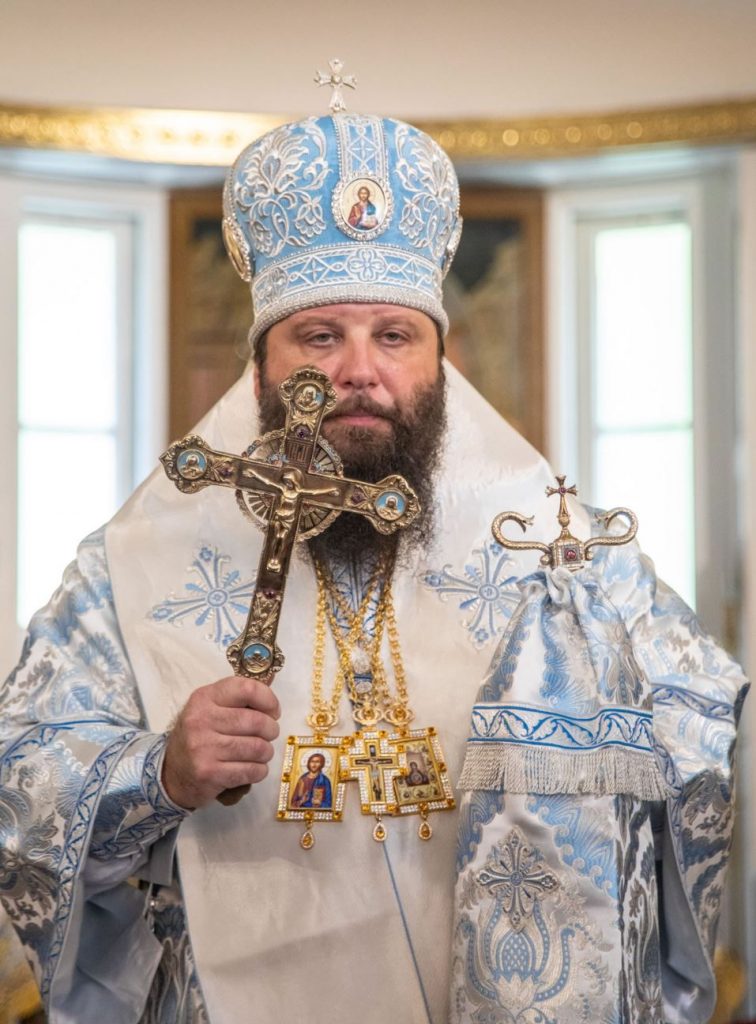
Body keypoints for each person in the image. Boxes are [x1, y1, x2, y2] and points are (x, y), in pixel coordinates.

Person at [0, 97, 747, 1024]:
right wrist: (159, 774)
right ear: (263, 366)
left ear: (442, 360)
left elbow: (702, 727)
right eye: (320, 336)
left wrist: (581, 730)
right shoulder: (135, 566)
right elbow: (23, 786)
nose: (359, 370)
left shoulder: (559, 561)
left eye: (393, 337)